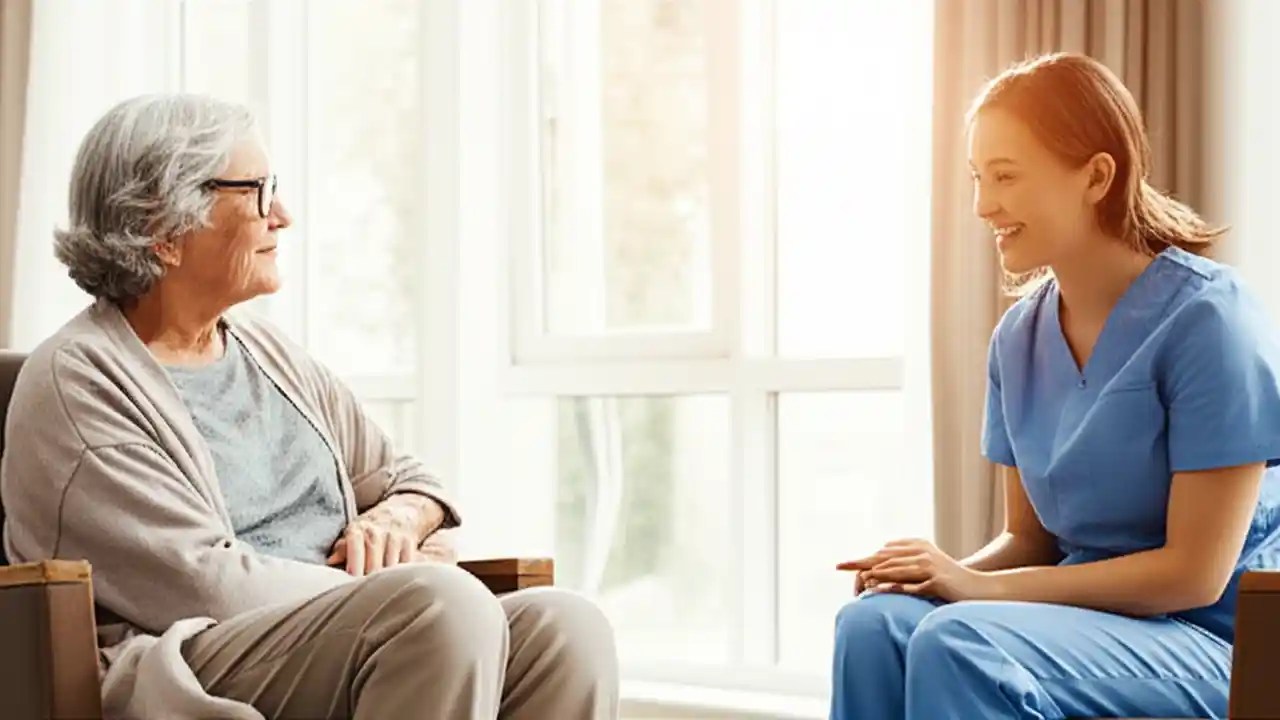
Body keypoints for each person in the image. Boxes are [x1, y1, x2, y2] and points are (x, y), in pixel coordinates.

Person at [0, 94, 619, 720]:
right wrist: (390, 587)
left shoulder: (267, 353)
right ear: (164, 227)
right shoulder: (80, 380)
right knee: (441, 609)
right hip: (191, 657)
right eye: (259, 192)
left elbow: (410, 481)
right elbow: (204, 585)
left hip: (345, 625)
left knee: (566, 630)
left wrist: (399, 526)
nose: (284, 216)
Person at [829, 52, 1280, 720]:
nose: (983, 206)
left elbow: (1194, 574)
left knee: (963, 640)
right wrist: (939, 574)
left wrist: (973, 592)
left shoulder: (1210, 320)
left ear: (1097, 176)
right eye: (978, 179)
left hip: (1213, 641)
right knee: (873, 625)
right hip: (1079, 621)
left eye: (1006, 177)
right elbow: (1031, 541)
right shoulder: (1018, 338)